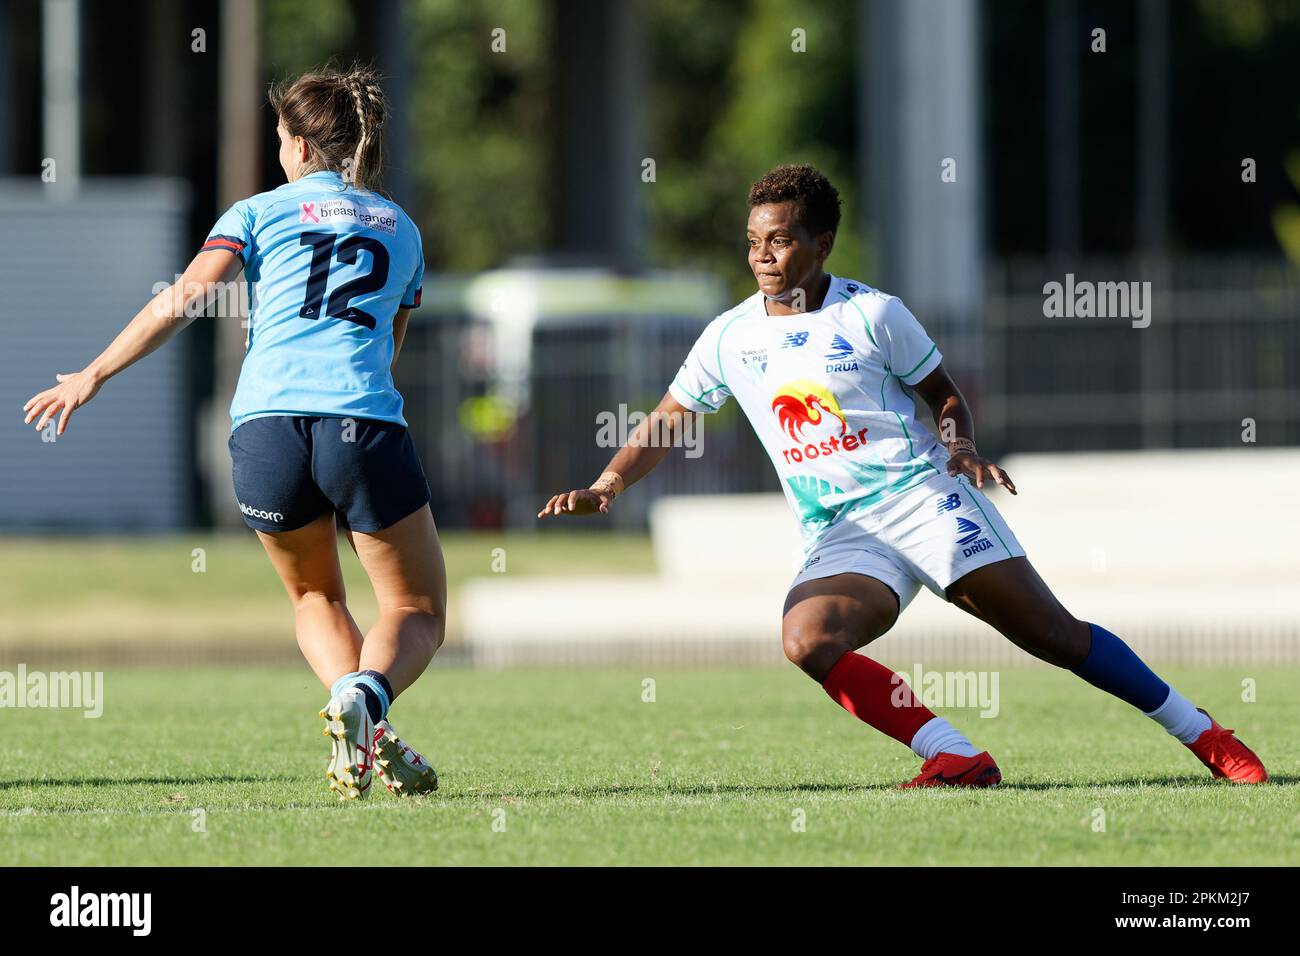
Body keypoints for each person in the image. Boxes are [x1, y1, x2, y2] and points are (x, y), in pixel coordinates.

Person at [539, 163, 1267, 788]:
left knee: (1052, 636)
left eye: (782, 239)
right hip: (844, 531)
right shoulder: (729, 336)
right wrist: (608, 484)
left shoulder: (873, 314)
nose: (763, 255)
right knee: (806, 641)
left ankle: (1202, 732)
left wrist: (961, 445)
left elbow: (943, 394)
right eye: (755, 240)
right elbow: (670, 418)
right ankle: (954, 755)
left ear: (822, 243)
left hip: (922, 497)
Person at [22, 67, 443, 801]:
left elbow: (184, 297)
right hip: (359, 422)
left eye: (281, 138)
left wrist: (92, 374)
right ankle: (369, 701)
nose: (279, 152)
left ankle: (361, 712)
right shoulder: (401, 229)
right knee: (416, 609)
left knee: (315, 597)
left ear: (303, 146)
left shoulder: (256, 212)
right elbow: (388, 347)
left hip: (265, 428)